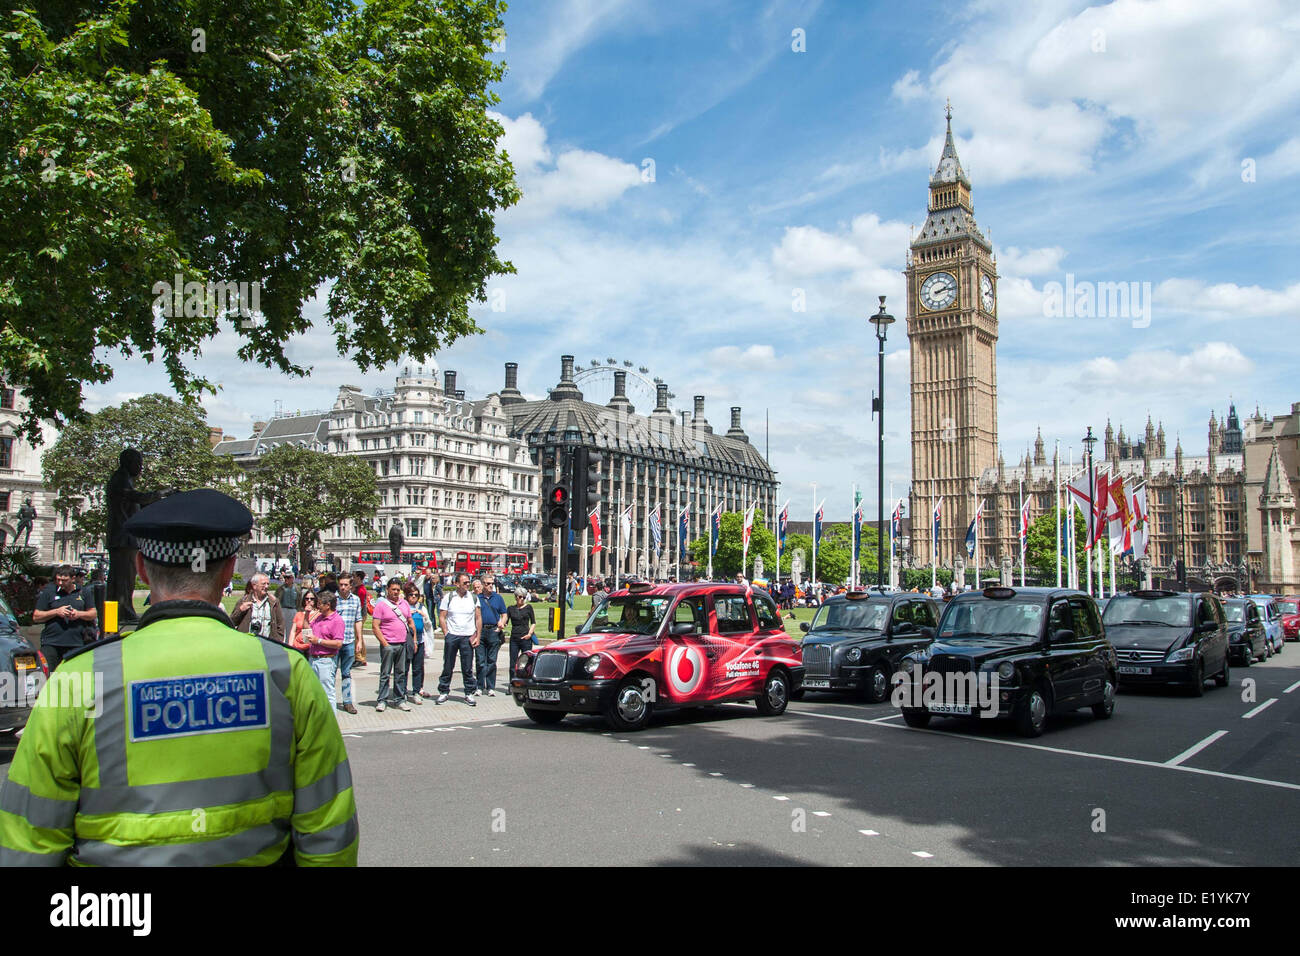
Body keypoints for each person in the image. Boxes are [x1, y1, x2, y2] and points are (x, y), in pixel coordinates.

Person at [0, 488, 357, 865]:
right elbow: (328, 828)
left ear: (140, 567)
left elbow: (28, 838)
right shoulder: (287, 673)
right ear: (230, 570)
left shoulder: (77, 676)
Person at [32, 565, 97, 669]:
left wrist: (78, 614)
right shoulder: (49, 592)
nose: (60, 583)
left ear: (73, 579)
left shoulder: (83, 592)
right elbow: (36, 616)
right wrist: (56, 612)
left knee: (75, 676)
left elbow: (93, 614)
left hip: (77, 643)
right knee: (51, 676)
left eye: (64, 580)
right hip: (52, 643)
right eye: (58, 580)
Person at [371, 579, 414, 712]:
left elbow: (409, 620)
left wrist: (413, 639)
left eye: (397, 589)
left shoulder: (404, 603)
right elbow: (375, 626)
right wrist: (385, 644)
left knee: (400, 673)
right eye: (393, 589)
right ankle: (382, 700)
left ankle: (399, 699)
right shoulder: (381, 605)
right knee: (385, 673)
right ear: (388, 589)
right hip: (388, 645)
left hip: (402, 644)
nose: (395, 592)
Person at [437, 572, 480, 705]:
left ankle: (469, 692)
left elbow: (478, 617)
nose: (468, 584)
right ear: (456, 584)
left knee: (467, 667)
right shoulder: (449, 597)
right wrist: (446, 633)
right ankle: (444, 691)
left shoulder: (473, 598)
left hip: (467, 636)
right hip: (453, 636)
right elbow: (442, 616)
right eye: (465, 582)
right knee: (448, 665)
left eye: (468, 582)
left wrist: (478, 635)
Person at [305, 590, 345, 707]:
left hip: (326, 661)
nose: (317, 606)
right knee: (314, 692)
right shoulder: (319, 618)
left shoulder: (337, 621)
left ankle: (331, 720)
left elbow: (338, 643)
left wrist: (319, 641)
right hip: (313, 659)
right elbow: (307, 630)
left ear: (328, 605)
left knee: (327, 693)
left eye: (320, 604)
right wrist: (306, 615)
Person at [333, 576, 362, 714]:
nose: (343, 587)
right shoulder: (333, 599)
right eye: (341, 584)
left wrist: (359, 640)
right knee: (331, 673)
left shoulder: (355, 600)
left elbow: (358, 620)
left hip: (349, 641)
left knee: (346, 673)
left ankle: (347, 702)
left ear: (351, 586)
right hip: (334, 642)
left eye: (345, 585)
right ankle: (330, 701)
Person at [475, 576, 507, 697]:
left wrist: (501, 623)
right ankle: (479, 686)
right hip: (481, 631)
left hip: (494, 631)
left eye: (492, 583)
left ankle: (490, 686)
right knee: (480, 660)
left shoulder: (498, 598)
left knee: (492, 661)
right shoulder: (478, 598)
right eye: (488, 583)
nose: (490, 585)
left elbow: (504, 614)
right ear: (483, 584)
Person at [231, 572, 285, 643]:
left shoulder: (274, 602)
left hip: (267, 645)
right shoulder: (243, 601)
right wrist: (240, 610)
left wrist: (278, 641)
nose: (266, 586)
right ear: (254, 586)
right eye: (263, 584)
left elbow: (280, 625)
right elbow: (232, 622)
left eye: (268, 584)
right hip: (247, 644)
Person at [403, 583, 428, 703]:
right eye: (411, 595)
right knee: (404, 667)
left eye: (416, 595)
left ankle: (416, 691)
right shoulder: (403, 606)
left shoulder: (421, 607)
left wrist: (424, 616)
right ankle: (402, 692)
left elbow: (428, 625)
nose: (414, 597)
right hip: (406, 640)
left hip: (420, 639)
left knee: (418, 668)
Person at [506, 587, 536, 677]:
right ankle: (512, 682)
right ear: (515, 597)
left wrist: (529, 634)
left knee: (527, 662)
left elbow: (533, 622)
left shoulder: (528, 607)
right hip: (514, 638)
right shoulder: (510, 609)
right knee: (513, 663)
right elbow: (505, 622)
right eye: (520, 597)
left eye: (524, 597)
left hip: (525, 638)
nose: (522, 599)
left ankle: (526, 681)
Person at [352, 572, 370, 667]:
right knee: (359, 636)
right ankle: (360, 656)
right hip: (359, 615)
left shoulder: (361, 590)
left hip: (360, 615)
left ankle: (360, 657)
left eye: (354, 576)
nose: (353, 578)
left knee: (358, 636)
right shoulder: (357, 588)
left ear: (359, 578)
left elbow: (360, 604)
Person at [278, 571, 300, 639]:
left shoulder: (297, 588)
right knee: (283, 628)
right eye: (285, 578)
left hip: (293, 610)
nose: (286, 579)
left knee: (292, 628)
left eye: (288, 577)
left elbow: (299, 600)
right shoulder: (281, 588)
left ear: (292, 578)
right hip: (283, 609)